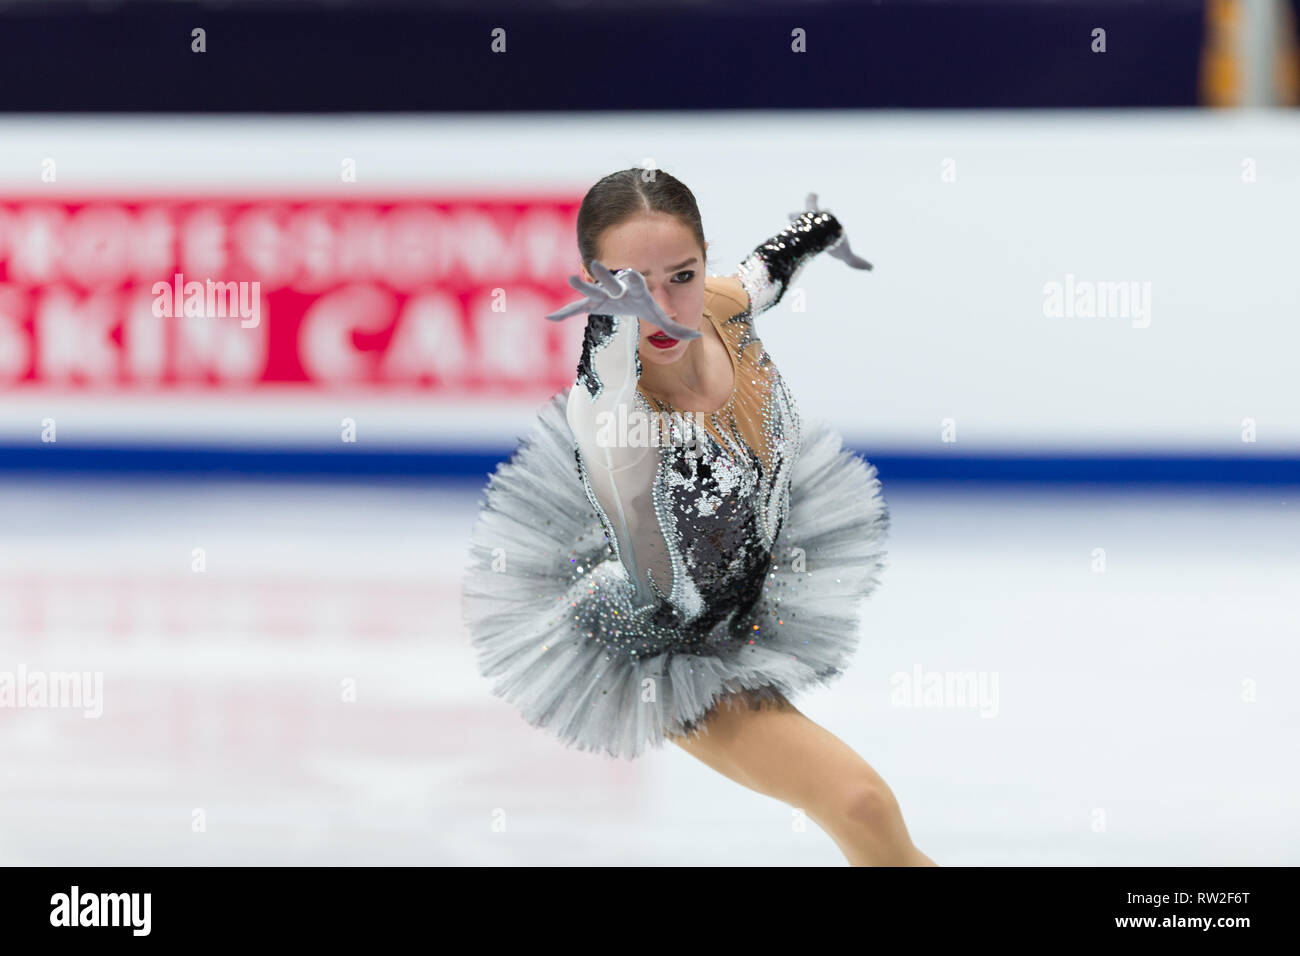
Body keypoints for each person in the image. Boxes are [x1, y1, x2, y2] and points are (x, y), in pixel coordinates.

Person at [462, 168, 935, 865]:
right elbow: (605, 368)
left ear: (705, 261)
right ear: (593, 283)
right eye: (627, 286)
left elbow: (772, 263)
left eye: (679, 275)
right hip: (668, 644)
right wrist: (611, 321)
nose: (660, 307)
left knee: (864, 821)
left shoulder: (720, 304)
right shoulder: (608, 405)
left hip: (751, 585)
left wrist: (822, 227)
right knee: (859, 803)